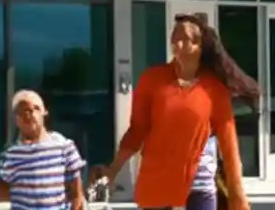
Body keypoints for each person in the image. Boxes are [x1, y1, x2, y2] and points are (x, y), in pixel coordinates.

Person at [92, 13, 258, 210]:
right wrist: (113, 171)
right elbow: (136, 131)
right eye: (174, 34)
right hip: (156, 181)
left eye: (183, 37)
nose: (175, 41)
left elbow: (229, 145)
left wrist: (237, 193)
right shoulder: (152, 80)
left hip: (198, 184)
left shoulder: (214, 90)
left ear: (198, 46)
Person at [0, 89, 86, 210]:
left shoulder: (64, 147)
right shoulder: (12, 154)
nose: (29, 114)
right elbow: (2, 187)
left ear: (44, 112)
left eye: (35, 109)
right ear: (17, 119)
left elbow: (76, 191)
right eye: (23, 111)